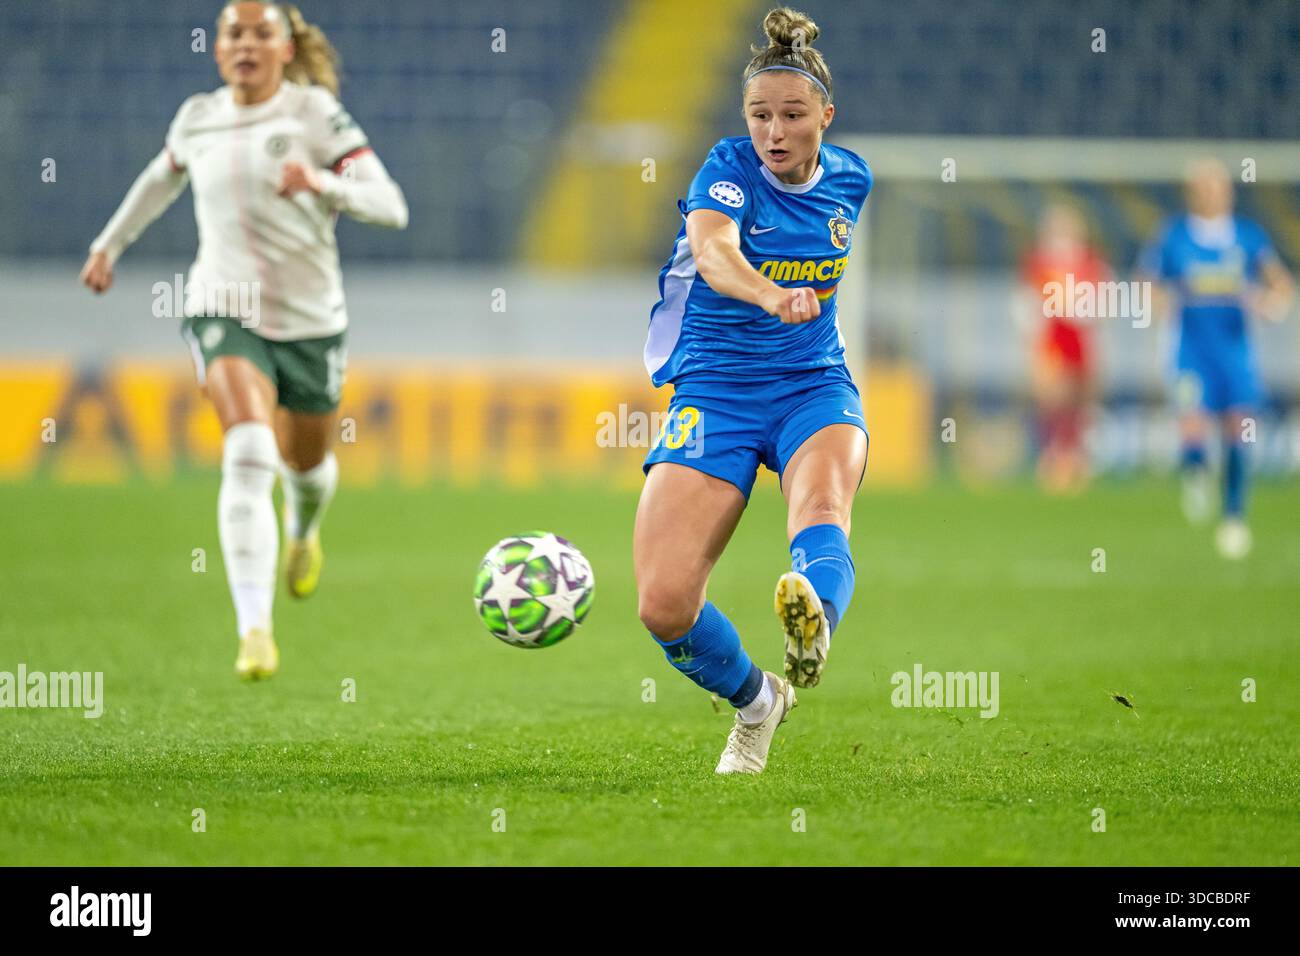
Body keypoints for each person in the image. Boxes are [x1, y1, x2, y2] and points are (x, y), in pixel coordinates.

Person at [80, 2, 409, 678]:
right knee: (250, 446)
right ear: (218, 48)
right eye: (235, 33)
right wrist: (109, 245)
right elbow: (158, 180)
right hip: (222, 305)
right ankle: (254, 628)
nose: (247, 44)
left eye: (263, 33)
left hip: (313, 319)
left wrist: (321, 182)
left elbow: (391, 206)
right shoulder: (197, 116)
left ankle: (304, 531)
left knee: (305, 466)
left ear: (287, 49)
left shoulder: (316, 115)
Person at [635, 7, 871, 774]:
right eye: (760, 114)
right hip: (716, 392)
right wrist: (770, 294)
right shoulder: (726, 169)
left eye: (793, 115)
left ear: (825, 116)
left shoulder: (853, 180)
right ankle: (759, 701)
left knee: (823, 510)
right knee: (664, 603)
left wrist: (792, 315)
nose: (774, 131)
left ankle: (814, 629)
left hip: (813, 382)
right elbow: (713, 254)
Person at [1137, 159, 1292, 559]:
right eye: (1202, 186)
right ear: (1191, 192)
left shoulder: (1248, 237)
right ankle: (1195, 468)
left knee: (1239, 429)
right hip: (1190, 351)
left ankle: (1234, 516)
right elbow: (1146, 283)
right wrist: (1156, 302)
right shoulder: (1173, 238)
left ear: (1228, 191)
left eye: (1217, 185)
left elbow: (1280, 283)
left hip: (1235, 353)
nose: (1210, 192)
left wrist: (1272, 303)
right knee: (1192, 423)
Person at [1019, 205, 1110, 493]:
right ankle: (1052, 458)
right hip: (1051, 339)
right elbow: (1026, 303)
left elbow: (1103, 299)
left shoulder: (1091, 261)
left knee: (1079, 403)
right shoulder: (1039, 263)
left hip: (1081, 339)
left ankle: (1077, 459)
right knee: (1052, 400)